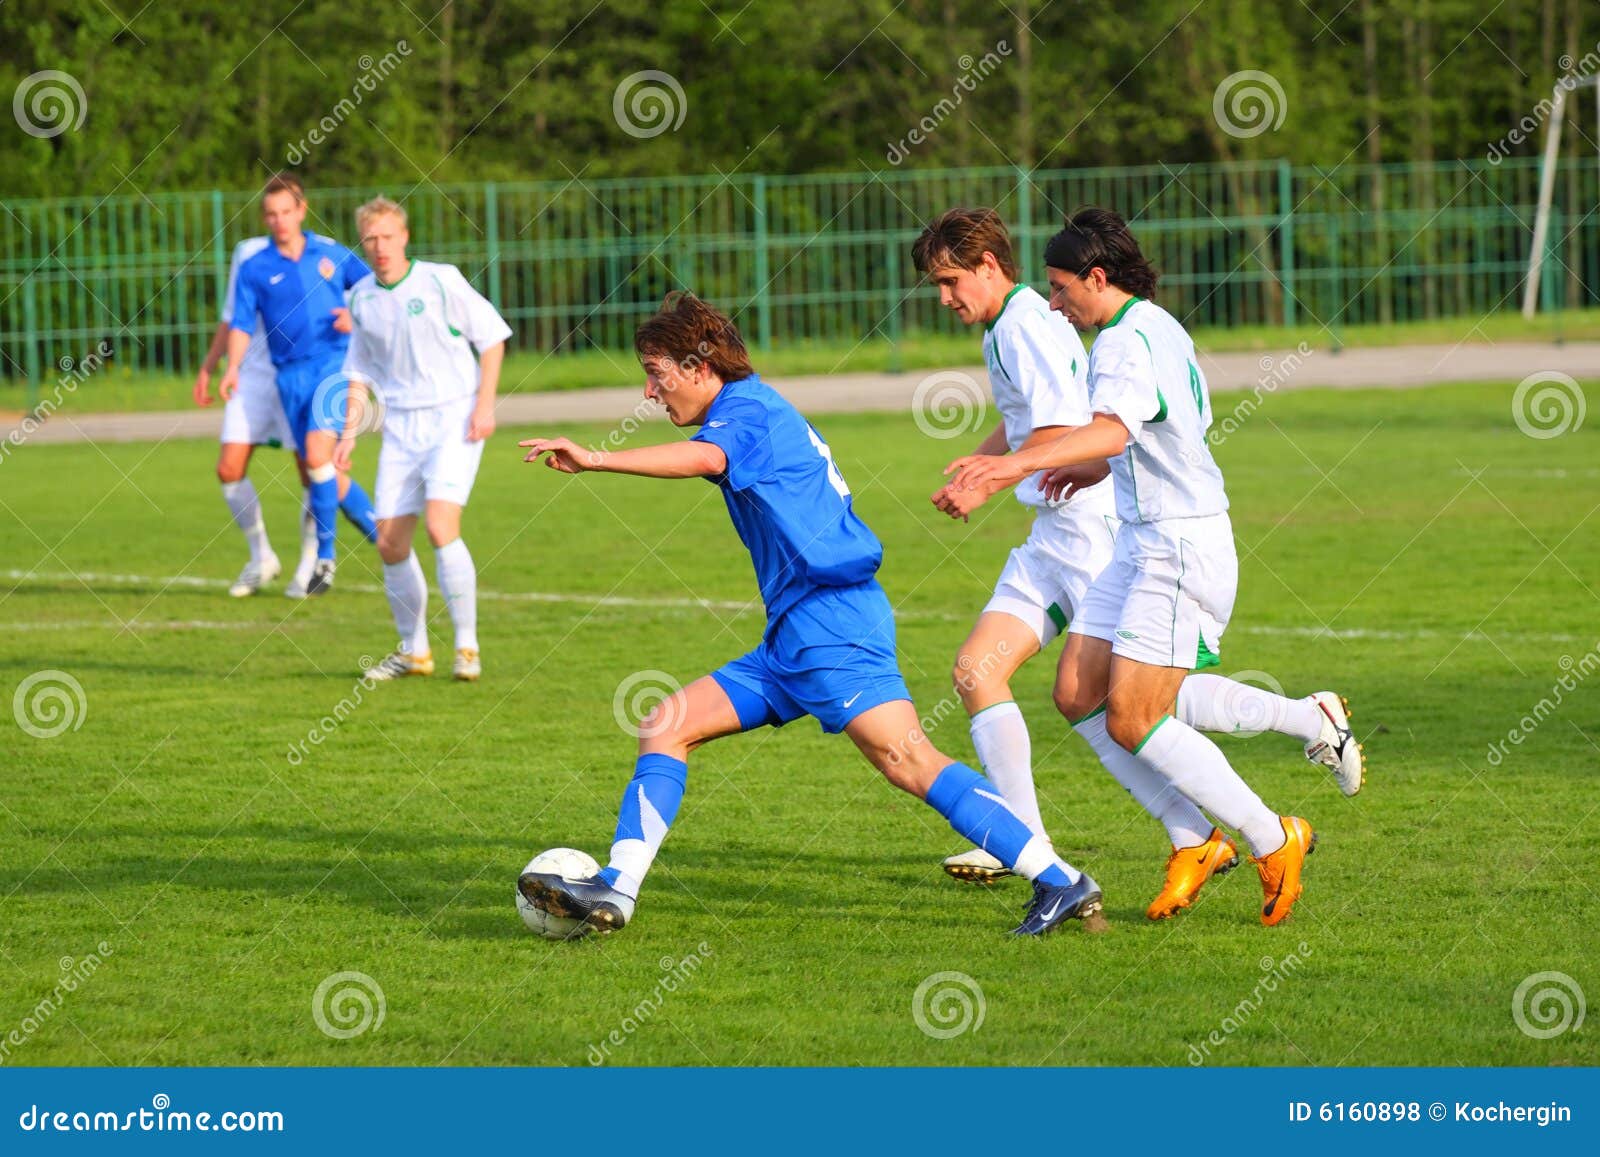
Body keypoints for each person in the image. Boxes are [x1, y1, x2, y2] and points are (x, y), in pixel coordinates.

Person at [517, 292, 1103, 938]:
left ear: (699, 366)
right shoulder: (751, 405)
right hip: (795, 634)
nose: (651, 392)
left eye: (658, 372)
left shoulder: (745, 411)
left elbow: (706, 460)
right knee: (666, 722)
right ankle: (617, 889)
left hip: (834, 626)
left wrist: (597, 458)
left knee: (911, 761)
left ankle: (1058, 878)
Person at [916, 208, 1363, 921]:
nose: (1055, 303)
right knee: (1078, 691)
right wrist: (1082, 468)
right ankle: (1199, 819)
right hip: (1135, 535)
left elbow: (1107, 426)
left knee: (1135, 712)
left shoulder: (1116, 342)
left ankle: (1267, 832)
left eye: (1062, 288)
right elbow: (1134, 433)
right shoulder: (1152, 324)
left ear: (1098, 277)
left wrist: (1007, 468)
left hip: (1174, 542)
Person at [335, 197, 510, 681]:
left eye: (388, 236)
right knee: (389, 543)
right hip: (400, 428)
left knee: (439, 525)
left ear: (404, 237)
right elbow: (359, 372)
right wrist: (349, 434)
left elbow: (492, 338)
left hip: (454, 418)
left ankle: (467, 648)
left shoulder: (440, 279)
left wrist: (484, 404)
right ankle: (414, 651)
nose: (379, 247)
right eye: (370, 238)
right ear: (363, 243)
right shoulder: (361, 298)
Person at [219, 173, 378, 596]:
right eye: (271, 214)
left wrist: (357, 313)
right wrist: (232, 367)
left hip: (332, 366)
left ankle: (324, 559)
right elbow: (239, 321)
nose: (279, 220)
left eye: (286, 212)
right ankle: (379, 533)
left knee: (316, 456)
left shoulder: (330, 253)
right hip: (287, 376)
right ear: (264, 218)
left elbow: (375, 287)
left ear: (301, 210)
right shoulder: (255, 267)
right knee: (320, 466)